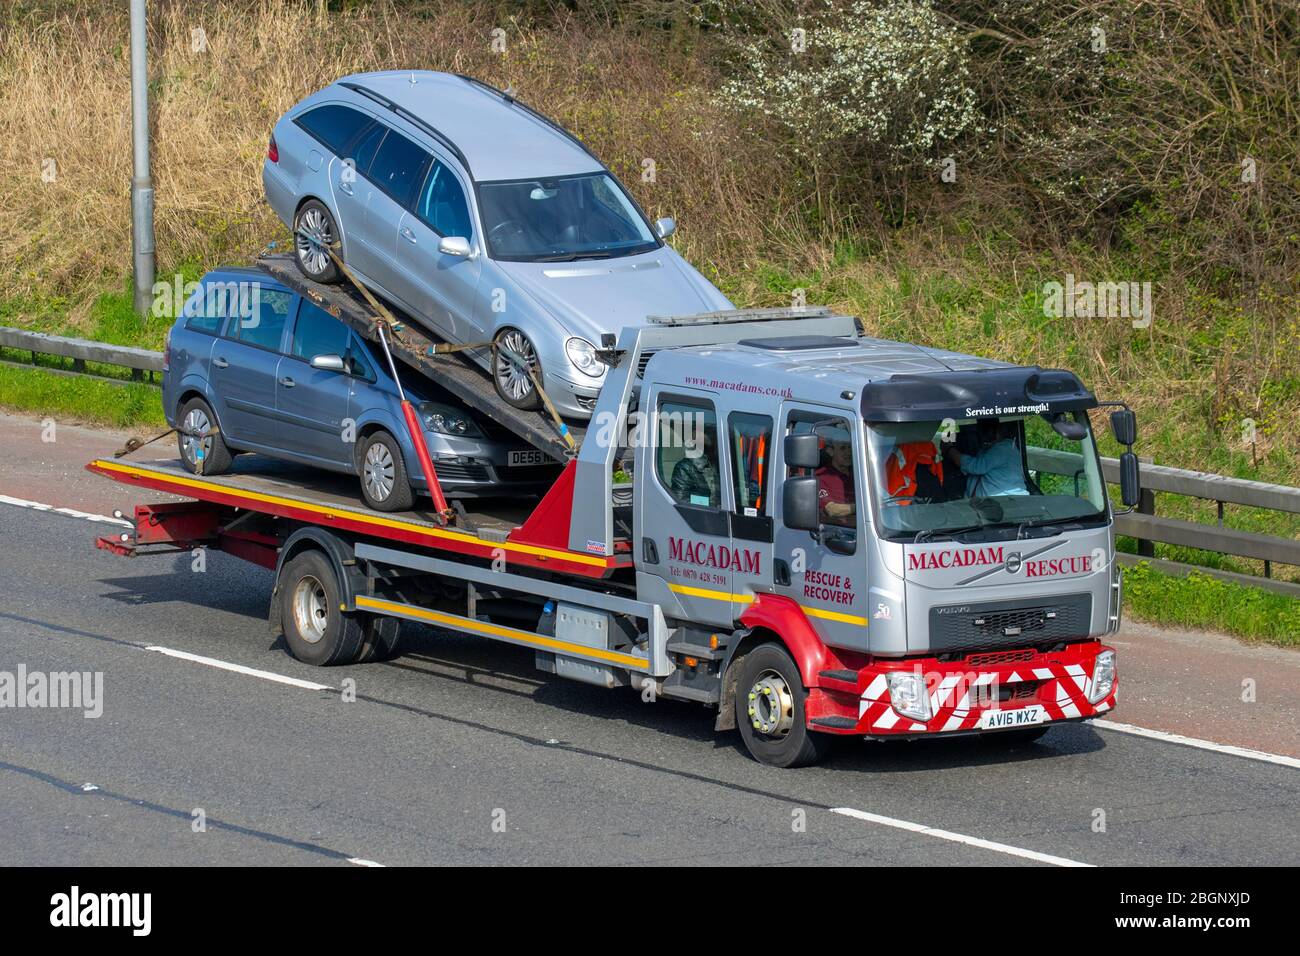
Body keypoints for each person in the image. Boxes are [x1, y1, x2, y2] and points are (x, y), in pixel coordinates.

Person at [944, 419, 1029, 497]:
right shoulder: (991, 448)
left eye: (985, 430)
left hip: (1005, 501)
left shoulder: (1003, 448)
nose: (982, 434)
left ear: (997, 431)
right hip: (986, 504)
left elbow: (976, 467)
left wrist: (949, 450)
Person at [670, 426, 720, 507]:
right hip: (703, 513)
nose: (705, 438)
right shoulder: (684, 467)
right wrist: (709, 504)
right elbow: (681, 500)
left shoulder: (717, 463)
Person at [816, 432, 856, 526]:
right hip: (840, 533)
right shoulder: (821, 477)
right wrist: (863, 507)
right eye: (843, 448)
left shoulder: (859, 473)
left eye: (850, 447)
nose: (849, 452)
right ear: (830, 451)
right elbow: (831, 510)